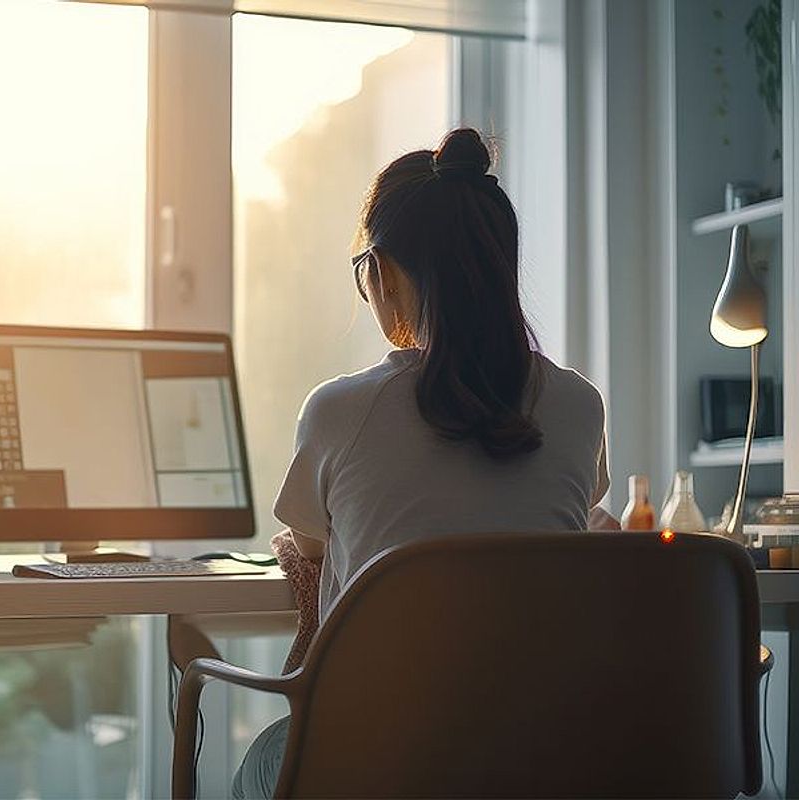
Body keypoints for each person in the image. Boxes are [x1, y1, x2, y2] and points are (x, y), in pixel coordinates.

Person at [231, 128, 610, 799]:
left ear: (379, 272)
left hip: (375, 762)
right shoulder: (581, 407)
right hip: (538, 762)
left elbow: (311, 553)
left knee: (264, 758)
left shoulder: (340, 412)